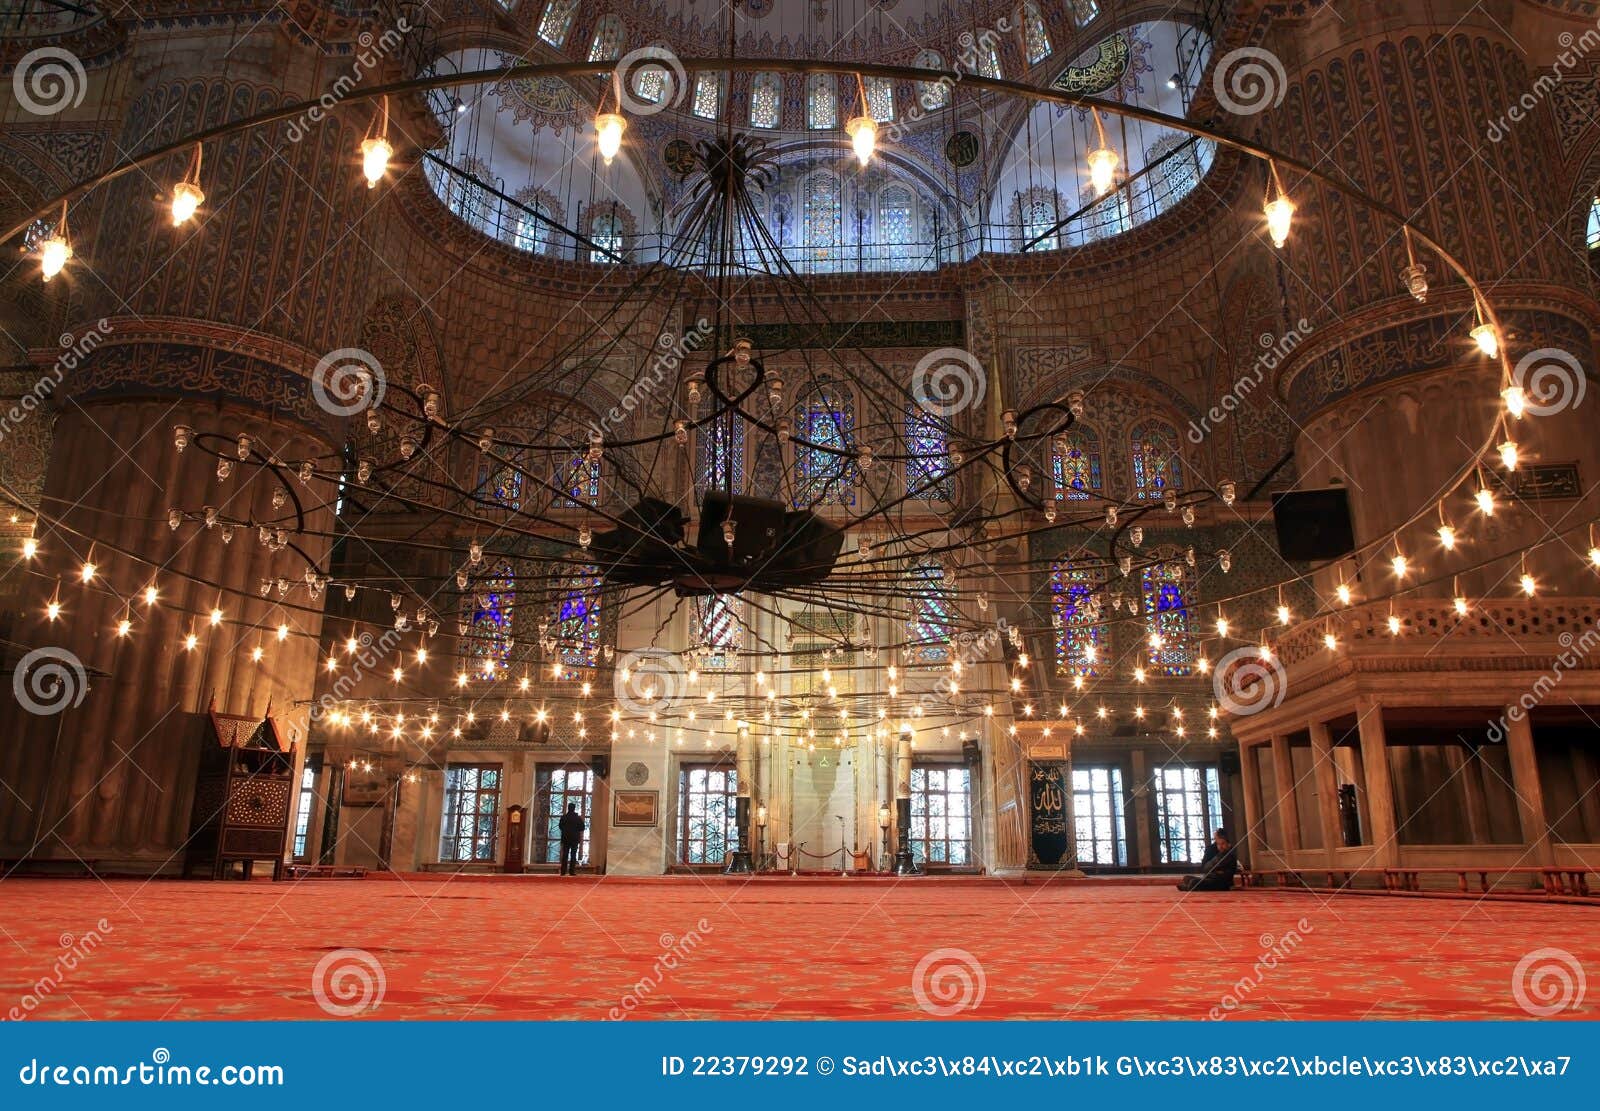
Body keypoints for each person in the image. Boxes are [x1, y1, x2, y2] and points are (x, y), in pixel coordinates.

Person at [558, 803, 585, 875]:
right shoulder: (578, 818)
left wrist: (566, 831)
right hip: (574, 839)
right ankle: (572, 872)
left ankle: (563, 872)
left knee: (565, 855)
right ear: (574, 808)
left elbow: (560, 827)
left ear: (568, 808)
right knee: (573, 855)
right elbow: (582, 828)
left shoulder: (564, 817)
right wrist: (575, 830)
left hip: (565, 838)